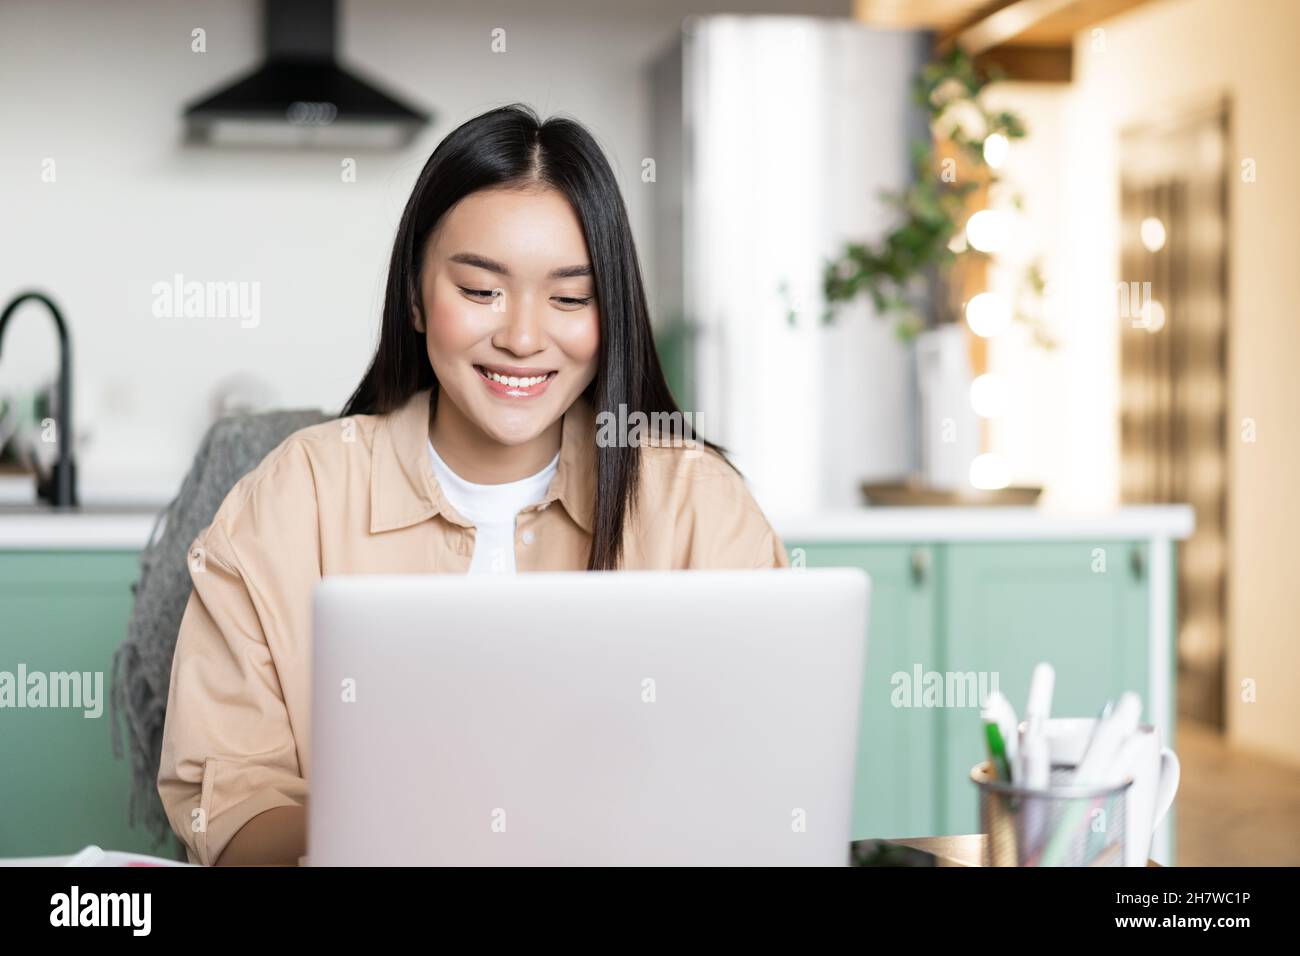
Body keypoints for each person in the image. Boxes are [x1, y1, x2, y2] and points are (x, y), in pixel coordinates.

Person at [157, 104, 789, 866]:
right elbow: (226, 810)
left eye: (570, 298)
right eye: (481, 291)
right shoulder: (296, 496)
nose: (523, 338)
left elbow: (762, 789)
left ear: (609, 313)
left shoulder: (697, 505)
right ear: (418, 299)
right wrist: (384, 837)